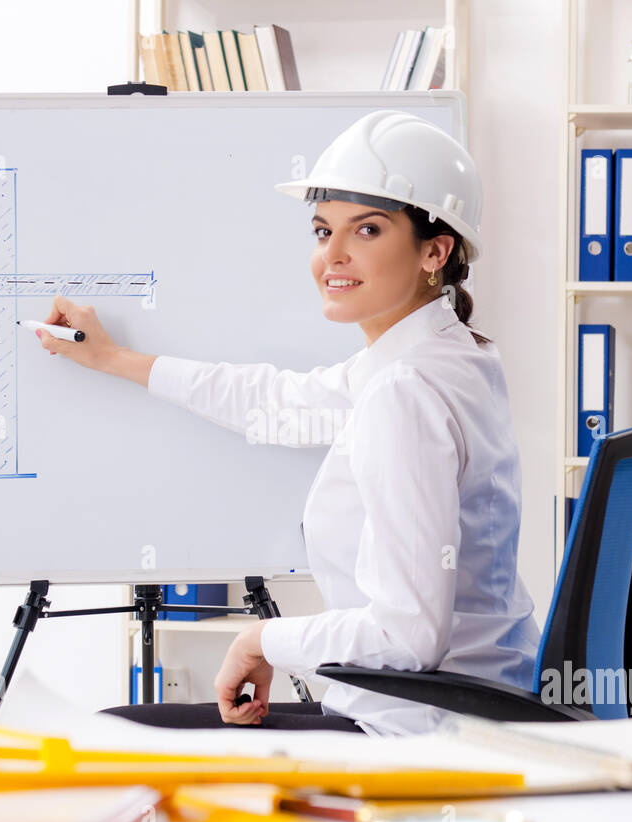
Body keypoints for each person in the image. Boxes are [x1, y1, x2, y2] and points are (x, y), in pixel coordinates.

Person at [35, 110, 541, 737]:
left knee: (111, 732)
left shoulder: (405, 390)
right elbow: (276, 400)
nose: (333, 255)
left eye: (369, 230)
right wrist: (115, 358)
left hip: (416, 730)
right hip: (475, 706)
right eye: (322, 230)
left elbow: (408, 637)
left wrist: (261, 640)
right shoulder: (447, 356)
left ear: (434, 251)